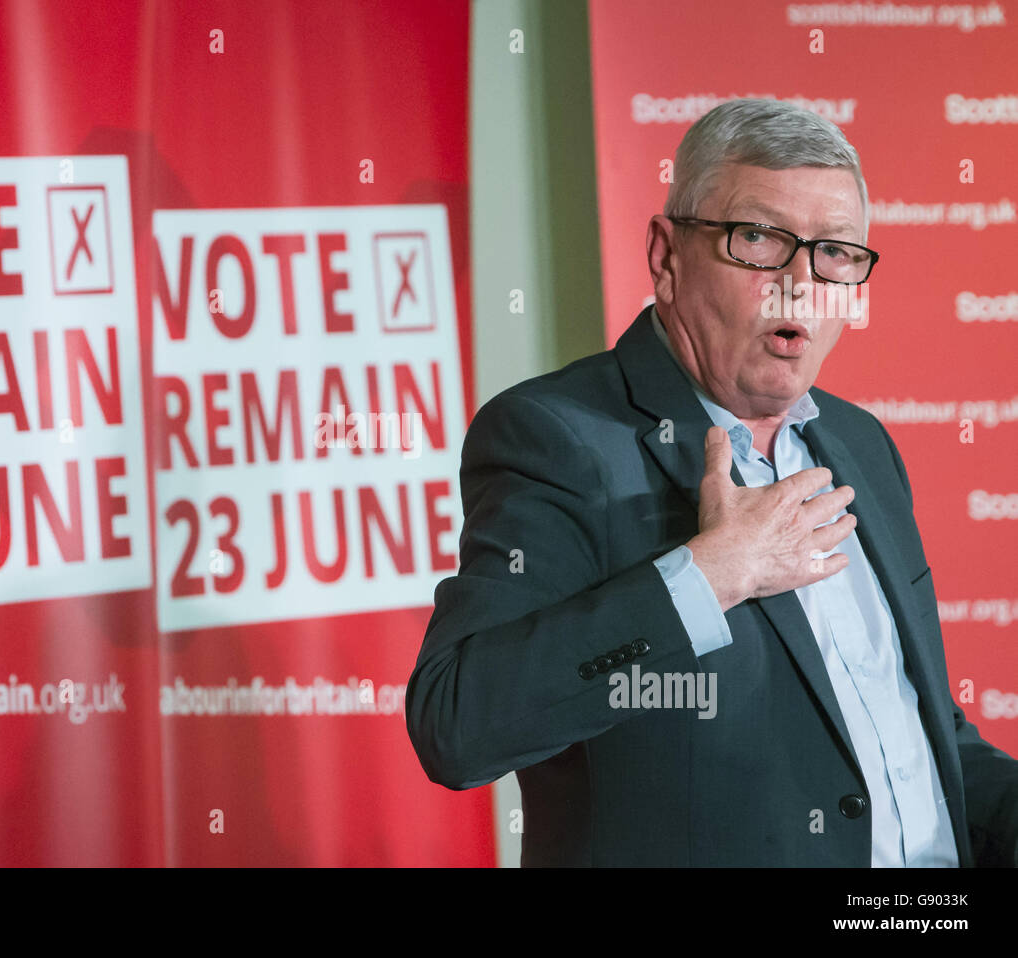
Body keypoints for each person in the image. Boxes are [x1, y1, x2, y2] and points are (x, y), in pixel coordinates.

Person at [406, 98, 1018, 866]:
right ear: (666, 255)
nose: (800, 283)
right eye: (758, 239)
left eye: (834, 252)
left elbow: (913, 734)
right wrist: (710, 576)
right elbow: (458, 724)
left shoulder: (860, 444)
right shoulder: (557, 439)